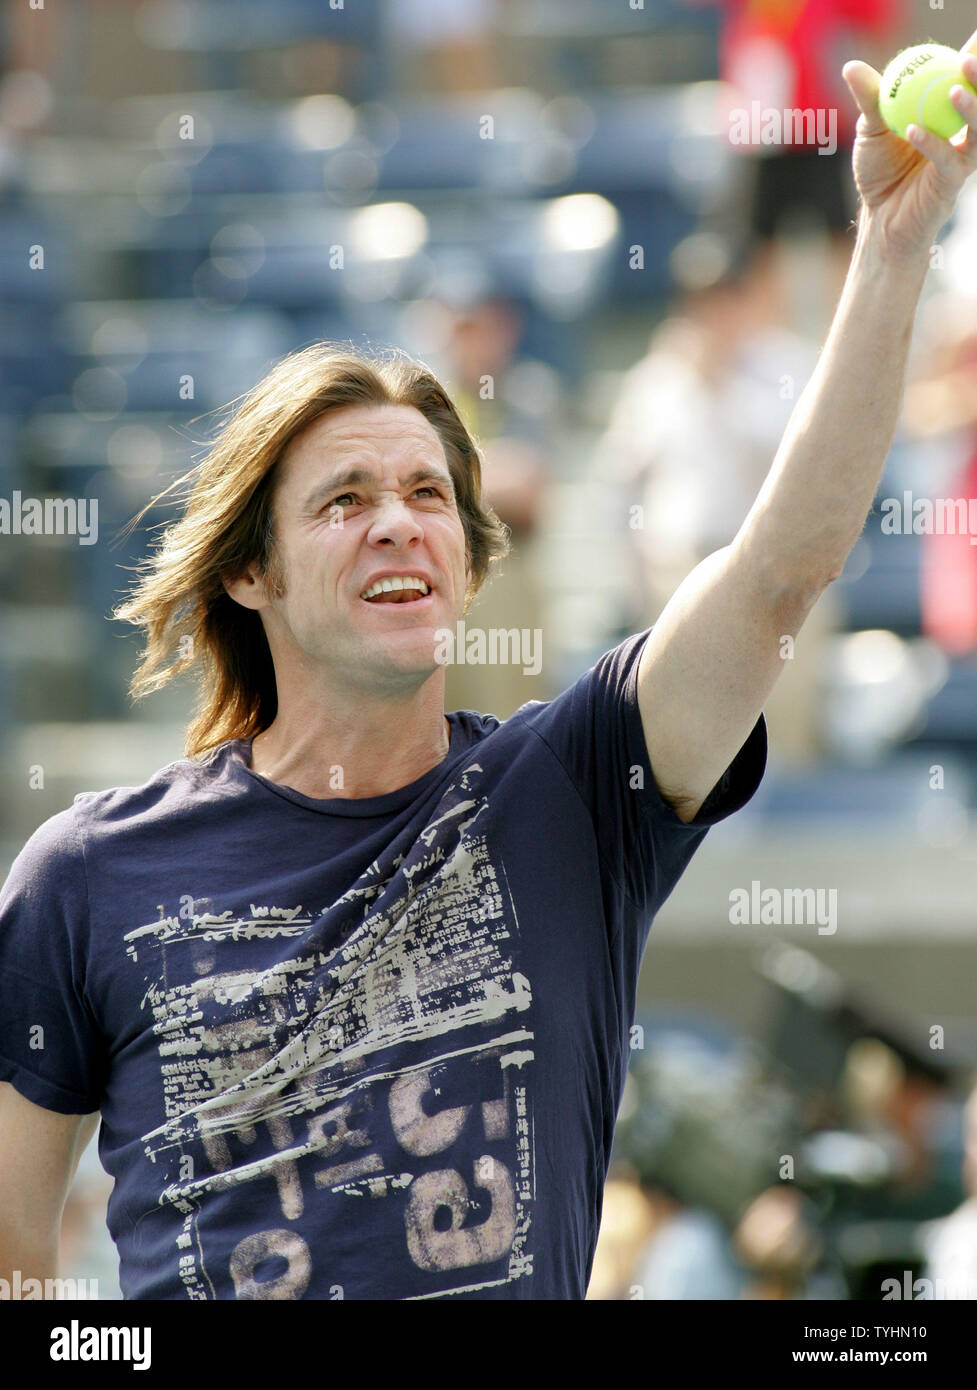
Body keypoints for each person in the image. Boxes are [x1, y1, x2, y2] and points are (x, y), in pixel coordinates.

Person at [2, 42, 977, 1300]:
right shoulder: (85, 876)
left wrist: (891, 249)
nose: (399, 522)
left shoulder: (569, 792)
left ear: (465, 568)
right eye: (343, 500)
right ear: (251, 575)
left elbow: (779, 571)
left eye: (425, 496)